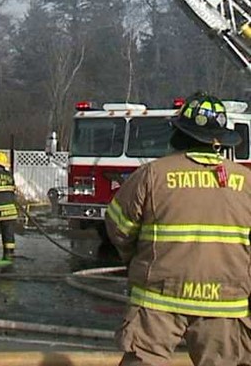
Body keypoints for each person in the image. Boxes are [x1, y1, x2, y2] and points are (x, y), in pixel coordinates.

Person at [105, 92, 251, 366]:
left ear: (179, 133)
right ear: (219, 140)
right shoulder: (246, 181)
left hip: (158, 298)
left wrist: (137, 259)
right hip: (225, 302)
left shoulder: (152, 175)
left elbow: (118, 227)